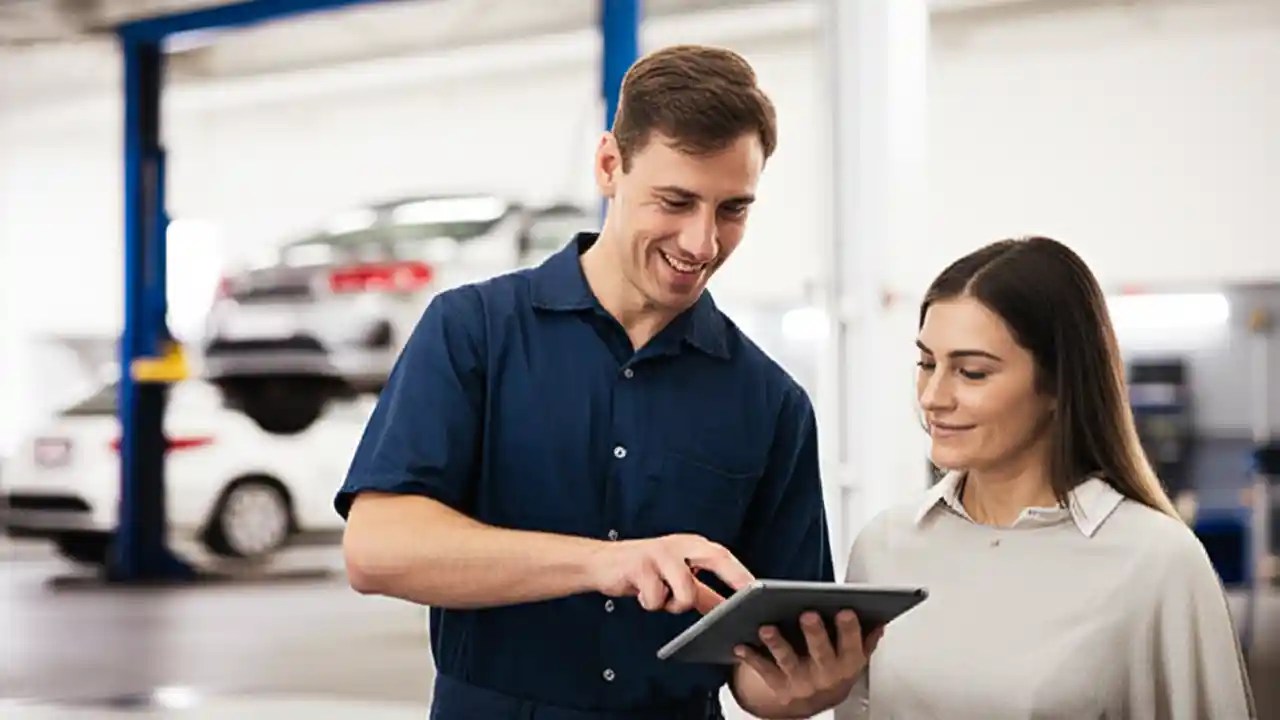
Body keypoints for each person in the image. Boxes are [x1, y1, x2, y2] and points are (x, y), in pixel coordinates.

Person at [337, 44, 877, 720]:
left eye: (732, 210)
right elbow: (377, 549)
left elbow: (758, 679)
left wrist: (813, 684)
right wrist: (603, 564)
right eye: (675, 201)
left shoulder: (772, 403)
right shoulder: (474, 331)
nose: (702, 243)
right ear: (608, 166)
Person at [835, 237, 1257, 720]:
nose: (933, 396)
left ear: (1059, 383)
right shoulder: (883, 548)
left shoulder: (1158, 563)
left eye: (971, 372)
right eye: (928, 364)